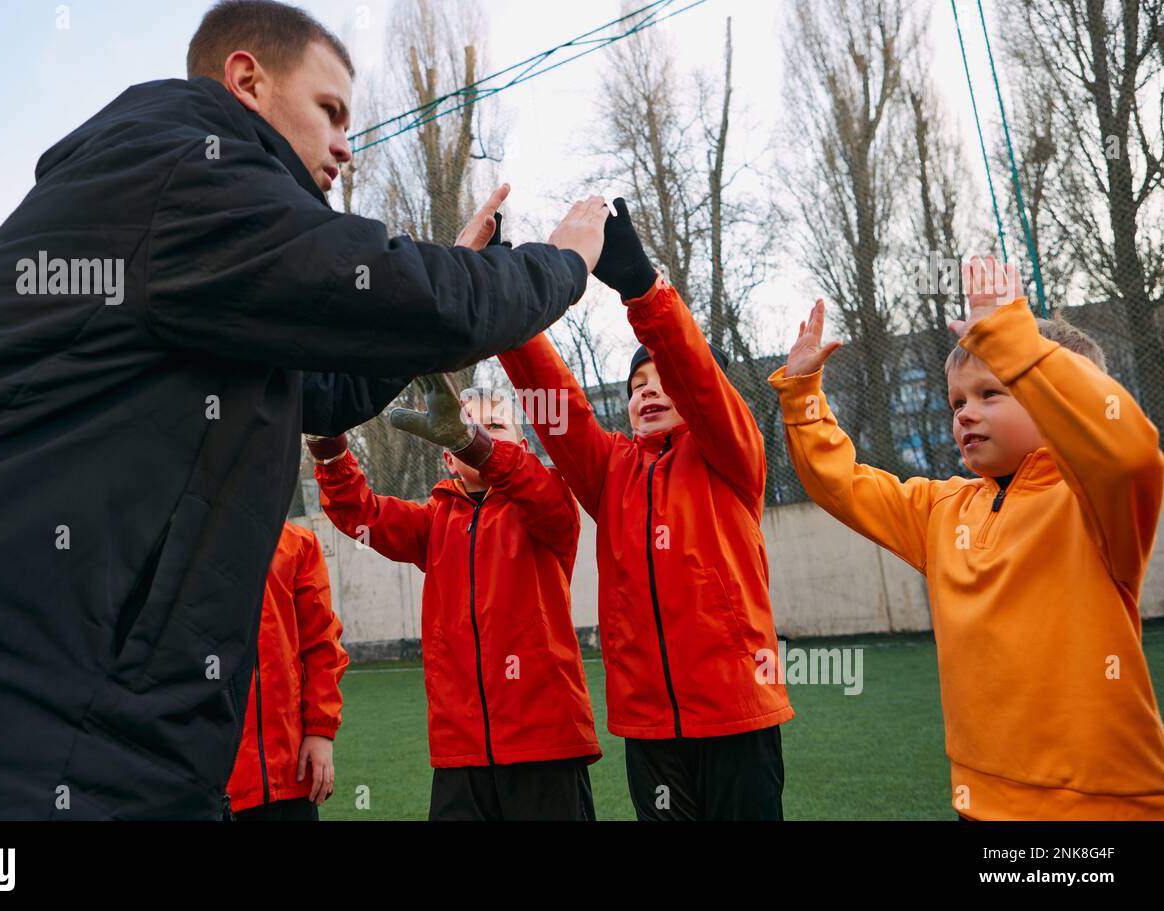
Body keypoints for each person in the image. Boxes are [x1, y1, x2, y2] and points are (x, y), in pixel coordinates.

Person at [0, 0, 607, 819]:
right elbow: (406, 296)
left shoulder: (211, 247)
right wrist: (562, 263)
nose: (345, 144)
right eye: (329, 110)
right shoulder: (182, 170)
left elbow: (321, 382)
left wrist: (434, 315)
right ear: (246, 80)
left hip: (67, 711)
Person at [769, 256, 1164, 820]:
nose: (966, 415)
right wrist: (804, 397)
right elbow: (845, 486)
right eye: (958, 402)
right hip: (979, 800)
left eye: (991, 393)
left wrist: (1017, 345)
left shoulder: (1096, 503)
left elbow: (1125, 451)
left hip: (1100, 806)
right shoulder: (942, 509)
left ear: (1055, 396)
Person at [497, 200, 792, 821]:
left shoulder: (730, 455)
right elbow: (558, 406)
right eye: (635, 387)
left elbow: (702, 381)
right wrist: (509, 309)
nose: (648, 392)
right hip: (650, 728)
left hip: (737, 716)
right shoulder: (611, 471)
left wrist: (642, 289)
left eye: (660, 382)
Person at [309, 373, 601, 821]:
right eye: (466, 427)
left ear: (522, 450)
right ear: (447, 458)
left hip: (546, 744)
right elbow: (362, 512)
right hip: (459, 751)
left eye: (495, 427)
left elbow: (536, 492)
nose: (478, 435)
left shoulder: (549, 500)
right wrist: (329, 449)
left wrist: (475, 443)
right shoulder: (435, 520)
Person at [227, 522, 346, 821]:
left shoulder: (297, 544)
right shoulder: (179, 542)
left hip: (291, 769)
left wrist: (321, 731)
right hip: (216, 776)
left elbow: (322, 644)